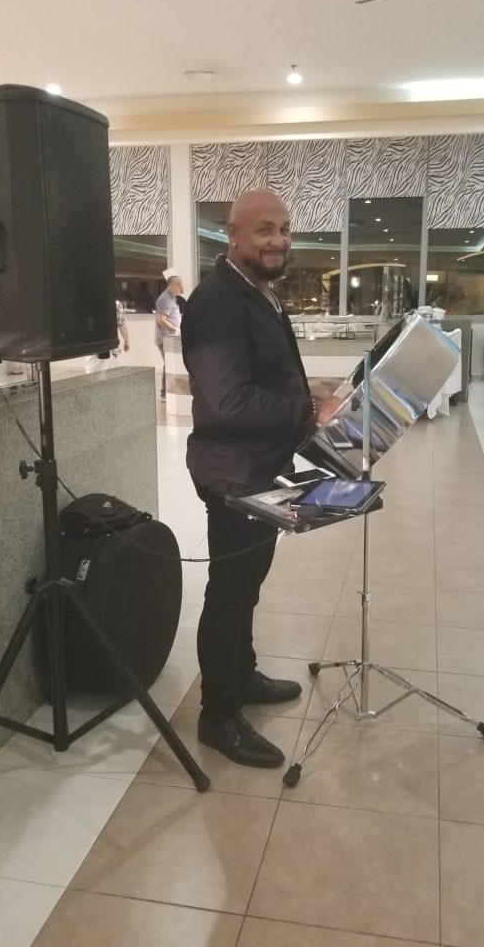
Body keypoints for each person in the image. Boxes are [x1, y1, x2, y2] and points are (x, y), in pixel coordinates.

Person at [181, 188, 340, 768]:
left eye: (285, 228)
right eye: (264, 230)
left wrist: (306, 393)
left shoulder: (257, 292)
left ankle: (242, 677)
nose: (278, 240)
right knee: (228, 595)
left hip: (259, 467)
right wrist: (304, 412)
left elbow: (261, 379)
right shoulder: (218, 301)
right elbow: (227, 401)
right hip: (232, 475)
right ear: (234, 234)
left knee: (246, 586)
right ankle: (218, 716)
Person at [155, 268, 184, 400]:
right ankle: (164, 392)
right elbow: (161, 320)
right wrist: (175, 329)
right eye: (178, 284)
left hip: (170, 338)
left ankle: (167, 391)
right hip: (165, 338)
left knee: (170, 363)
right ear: (171, 284)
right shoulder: (165, 299)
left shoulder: (172, 298)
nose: (181, 287)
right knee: (169, 364)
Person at [85, 300, 129, 374]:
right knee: (109, 374)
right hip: (110, 344)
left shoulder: (89, 303)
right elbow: (121, 324)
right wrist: (126, 341)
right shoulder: (115, 304)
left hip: (93, 345)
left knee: (91, 375)